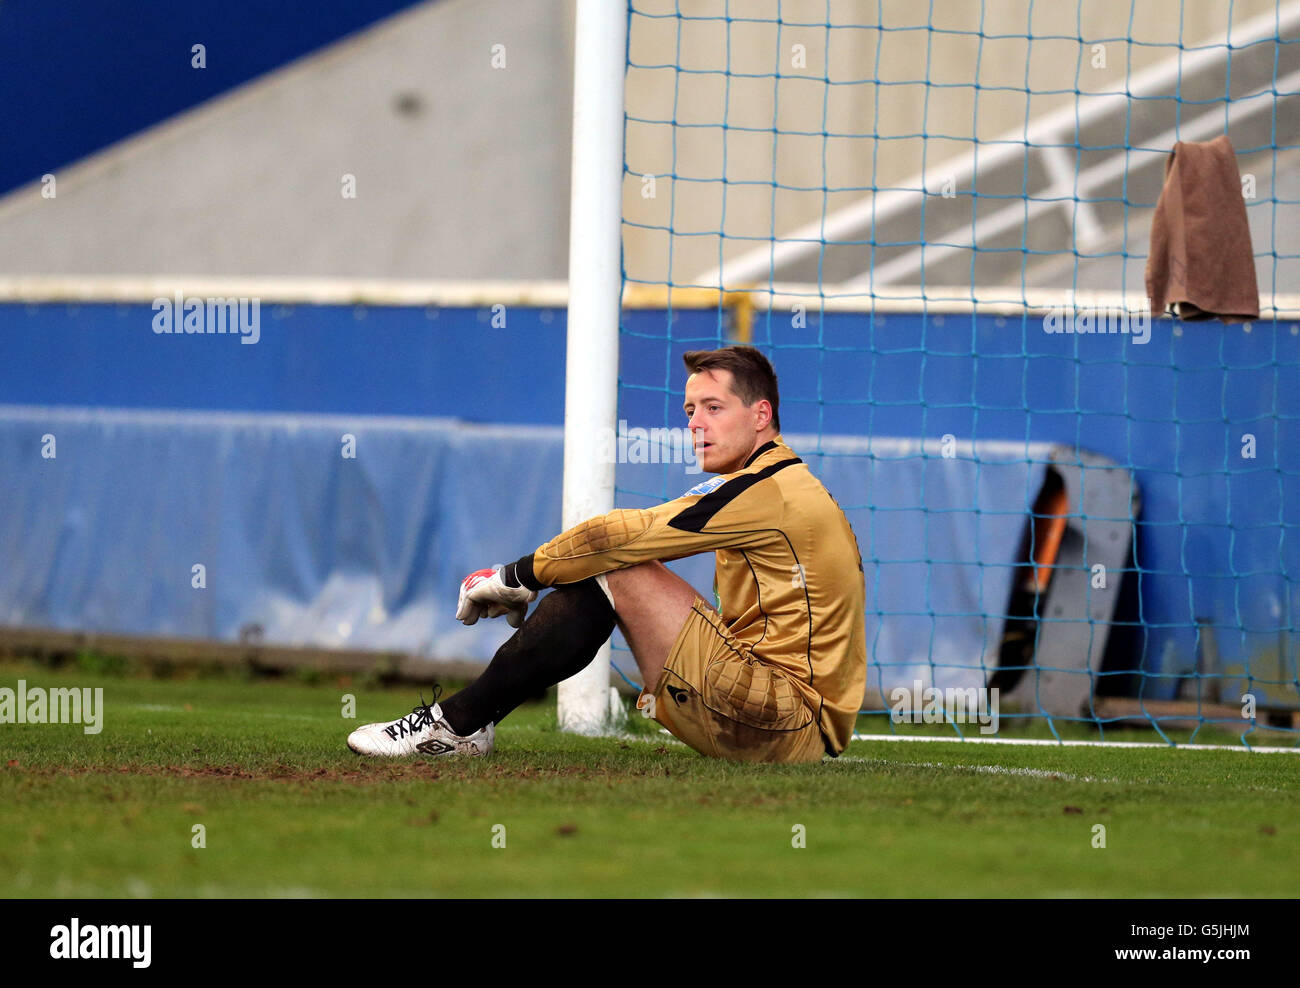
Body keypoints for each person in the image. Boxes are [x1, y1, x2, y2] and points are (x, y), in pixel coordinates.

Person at [347, 345, 866, 763]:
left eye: (714, 408)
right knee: (617, 568)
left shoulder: (767, 488)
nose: (696, 424)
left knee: (620, 566)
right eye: (689, 410)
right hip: (790, 716)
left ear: (761, 415)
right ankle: (465, 723)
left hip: (785, 720)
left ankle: (456, 725)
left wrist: (517, 574)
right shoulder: (785, 483)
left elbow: (621, 537)